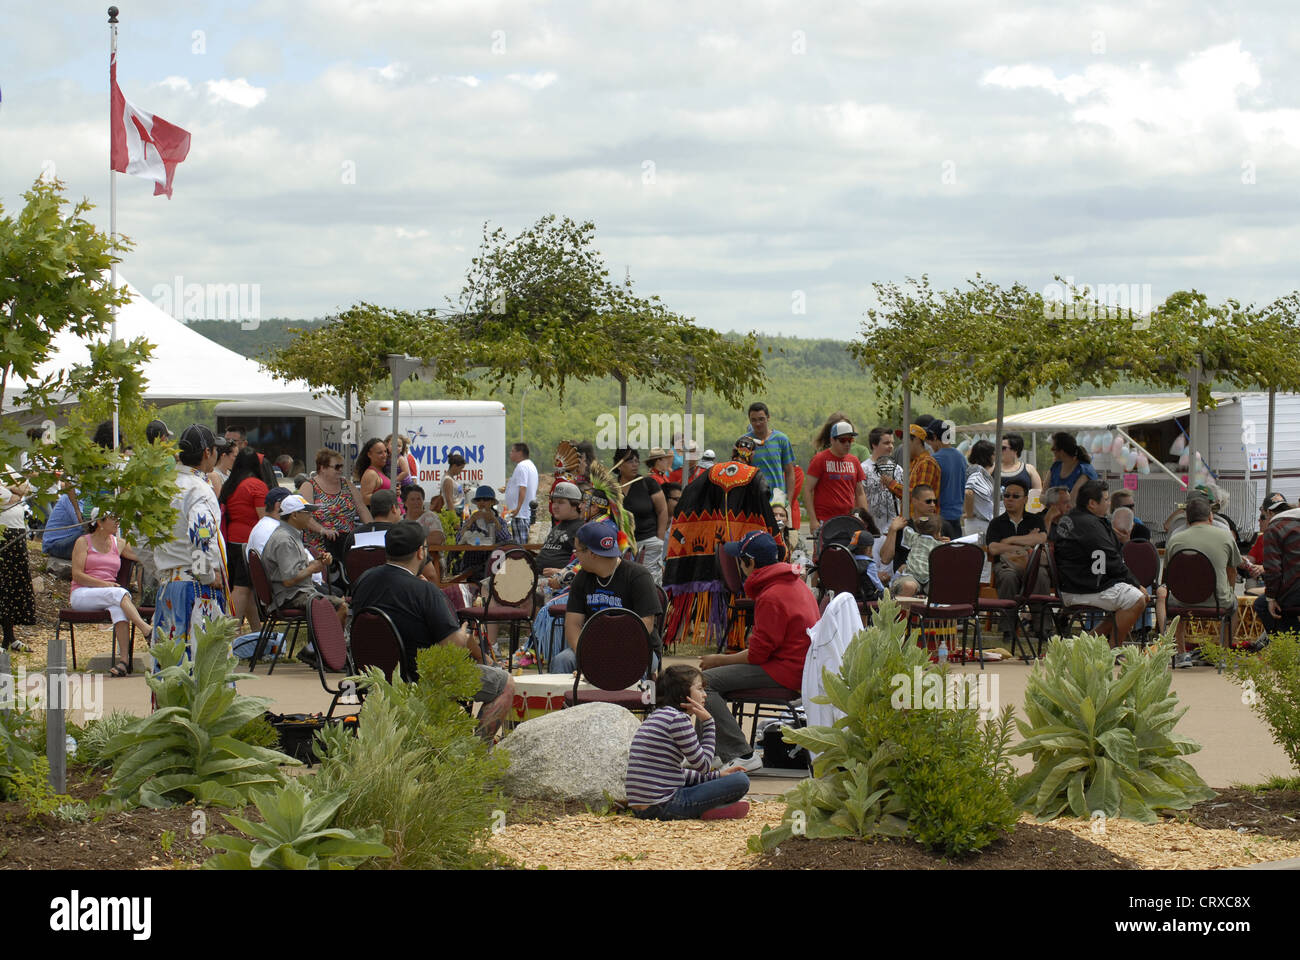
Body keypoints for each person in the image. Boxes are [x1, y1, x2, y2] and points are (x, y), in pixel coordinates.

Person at [351, 522, 514, 740]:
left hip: (372, 676)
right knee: (504, 683)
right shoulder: (425, 591)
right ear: (421, 552)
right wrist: (465, 635)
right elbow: (452, 646)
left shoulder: (363, 581)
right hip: (424, 678)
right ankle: (478, 752)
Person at [699, 531, 816, 768]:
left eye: (740, 560)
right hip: (797, 666)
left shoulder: (772, 595)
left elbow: (757, 655)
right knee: (704, 682)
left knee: (702, 683)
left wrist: (719, 659)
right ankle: (710, 752)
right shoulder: (793, 583)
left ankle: (741, 754)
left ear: (749, 562)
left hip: (786, 671)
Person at [626, 664, 751, 821]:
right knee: (740, 780)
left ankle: (713, 808)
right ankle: (711, 809)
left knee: (720, 780)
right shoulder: (678, 719)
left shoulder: (658, 715)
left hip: (643, 808)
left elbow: (673, 773)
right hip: (663, 806)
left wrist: (717, 775)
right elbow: (704, 766)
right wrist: (708, 723)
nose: (705, 695)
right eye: (700, 689)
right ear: (683, 694)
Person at [151, 425, 230, 661]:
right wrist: (207, 573)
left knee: (170, 663)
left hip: (168, 585)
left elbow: (143, 536)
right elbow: (201, 535)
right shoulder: (199, 490)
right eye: (216, 449)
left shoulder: (165, 486)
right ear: (208, 453)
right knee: (201, 666)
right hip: (195, 589)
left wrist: (158, 569)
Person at [552, 520, 662, 676]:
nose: (575, 556)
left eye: (576, 551)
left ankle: (633, 700)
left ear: (591, 553)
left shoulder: (638, 576)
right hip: (594, 648)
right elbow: (573, 624)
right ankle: (568, 700)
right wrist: (585, 654)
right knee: (562, 660)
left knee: (634, 662)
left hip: (635, 647)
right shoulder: (582, 578)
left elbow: (646, 624)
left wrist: (612, 655)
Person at [1050, 480, 1147, 647]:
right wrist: (1136, 584)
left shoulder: (1076, 519)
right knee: (1137, 599)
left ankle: (1087, 643)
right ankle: (1113, 650)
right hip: (1083, 588)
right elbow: (1111, 560)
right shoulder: (1089, 524)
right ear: (1093, 503)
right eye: (1106, 499)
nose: (1109, 503)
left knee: (1128, 601)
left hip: (1078, 584)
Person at [260, 495, 348, 655]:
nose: (311, 516)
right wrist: (314, 567)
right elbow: (288, 580)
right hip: (290, 596)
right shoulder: (284, 540)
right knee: (340, 606)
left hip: (295, 593)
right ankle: (320, 653)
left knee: (336, 601)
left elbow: (292, 571)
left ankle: (316, 650)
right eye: (306, 512)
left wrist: (317, 563)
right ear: (294, 515)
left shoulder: (289, 534)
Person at [69, 513, 154, 676]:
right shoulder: (83, 542)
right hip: (82, 593)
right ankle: (146, 630)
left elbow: (143, 557)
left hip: (110, 594)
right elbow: (77, 575)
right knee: (119, 593)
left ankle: (123, 662)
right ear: (100, 522)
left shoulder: (119, 543)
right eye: (112, 518)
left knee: (118, 608)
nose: (117, 522)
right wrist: (105, 584)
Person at [1163, 496, 1240, 666]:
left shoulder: (1175, 539)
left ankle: (1182, 655)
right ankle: (1223, 654)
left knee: (1176, 607)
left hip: (1181, 601)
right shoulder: (1226, 536)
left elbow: (1168, 574)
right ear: (1211, 517)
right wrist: (1229, 592)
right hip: (1218, 602)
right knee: (1234, 605)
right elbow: (1232, 570)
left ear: (1187, 519)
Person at [985, 478, 1050, 644]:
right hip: (1006, 565)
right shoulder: (996, 523)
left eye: (1015, 496)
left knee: (1041, 574)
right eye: (1006, 495)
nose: (1010, 499)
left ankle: (1042, 627)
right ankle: (1008, 628)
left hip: (1030, 564)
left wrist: (1009, 540)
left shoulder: (1035, 520)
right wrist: (1027, 541)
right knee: (1007, 576)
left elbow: (1042, 538)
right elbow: (993, 548)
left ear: (1025, 499)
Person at [218, 449, 269, 633]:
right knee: (241, 590)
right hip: (249, 543)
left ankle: (257, 633)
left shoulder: (230, 484)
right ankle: (228, 636)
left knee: (246, 591)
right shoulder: (257, 486)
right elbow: (264, 519)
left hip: (231, 541)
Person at [300, 448, 370, 572]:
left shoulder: (347, 484)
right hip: (321, 546)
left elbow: (361, 508)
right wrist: (323, 530)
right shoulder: (309, 486)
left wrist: (372, 528)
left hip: (345, 543)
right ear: (322, 468)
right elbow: (304, 517)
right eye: (337, 467)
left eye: (341, 466)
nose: (341, 470)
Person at [804, 419, 868, 538]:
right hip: (825, 519)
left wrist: (864, 518)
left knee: (848, 555)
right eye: (843, 440)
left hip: (849, 519)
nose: (847, 444)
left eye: (850, 440)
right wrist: (813, 520)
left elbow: (860, 493)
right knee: (825, 555)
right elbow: (808, 490)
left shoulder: (854, 461)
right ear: (832, 440)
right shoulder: (820, 459)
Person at [614, 447, 669, 584]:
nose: (635, 464)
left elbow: (662, 510)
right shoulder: (611, 488)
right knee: (623, 582)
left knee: (648, 582)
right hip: (620, 544)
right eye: (630, 461)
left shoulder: (648, 483)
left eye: (637, 461)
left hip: (648, 541)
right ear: (619, 465)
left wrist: (659, 539)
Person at [0, 471, 36, 653]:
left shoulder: (6, 468)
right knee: (3, 585)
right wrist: (12, 492)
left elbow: (26, 489)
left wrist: (9, 489)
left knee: (14, 588)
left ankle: (9, 637)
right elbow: (4, 497)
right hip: (3, 533)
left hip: (17, 531)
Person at [1256, 499, 1300, 643]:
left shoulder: (1274, 528)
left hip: (1294, 594)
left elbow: (1273, 570)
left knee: (1263, 605)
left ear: (1269, 513)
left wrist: (1271, 597)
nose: (1260, 521)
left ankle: (1289, 647)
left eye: (1262, 517)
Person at [881, 425, 942, 517]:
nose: (903, 446)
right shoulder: (915, 463)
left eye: (906, 442)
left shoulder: (926, 463)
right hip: (914, 522)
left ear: (917, 440)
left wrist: (892, 484)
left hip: (922, 523)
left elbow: (920, 496)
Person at [881, 514, 943, 597]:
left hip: (923, 577)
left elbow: (906, 530)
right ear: (937, 533)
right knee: (909, 586)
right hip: (914, 576)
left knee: (939, 586)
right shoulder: (939, 545)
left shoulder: (914, 537)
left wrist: (897, 523)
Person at [745, 402, 797, 499]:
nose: (758, 423)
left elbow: (789, 472)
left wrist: (788, 502)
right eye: (754, 420)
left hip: (777, 501)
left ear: (768, 417)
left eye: (761, 419)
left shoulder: (781, 439)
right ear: (749, 420)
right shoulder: (743, 442)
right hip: (752, 501)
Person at [926, 419, 968, 539]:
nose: (930, 446)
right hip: (957, 517)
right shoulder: (961, 457)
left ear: (934, 437)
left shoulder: (934, 459)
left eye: (930, 441)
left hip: (940, 518)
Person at [535, 482, 584, 577]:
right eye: (553, 501)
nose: (554, 506)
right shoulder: (558, 526)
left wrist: (562, 572)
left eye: (561, 502)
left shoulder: (582, 529)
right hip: (537, 577)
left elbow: (586, 563)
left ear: (575, 505)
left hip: (559, 583)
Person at [861, 426, 903, 536]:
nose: (891, 446)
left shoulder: (898, 470)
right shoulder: (863, 469)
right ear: (874, 445)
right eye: (886, 443)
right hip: (873, 532)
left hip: (895, 531)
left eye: (892, 443)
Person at [503, 442, 539, 544]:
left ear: (520, 453)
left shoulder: (522, 466)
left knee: (520, 547)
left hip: (521, 514)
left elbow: (523, 488)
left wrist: (517, 509)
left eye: (513, 451)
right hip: (524, 513)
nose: (510, 453)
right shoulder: (529, 465)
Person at [1047, 432, 1098, 502]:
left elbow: (1071, 502)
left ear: (1062, 451)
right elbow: (1042, 495)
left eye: (1053, 448)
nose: (1051, 450)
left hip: (1079, 512)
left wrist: (1051, 503)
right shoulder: (1055, 467)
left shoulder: (1085, 470)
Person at [963, 439, 996, 541]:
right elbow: (968, 492)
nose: (995, 457)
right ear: (988, 455)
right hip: (979, 523)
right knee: (981, 555)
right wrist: (969, 514)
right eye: (993, 454)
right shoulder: (976, 471)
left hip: (980, 523)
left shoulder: (980, 471)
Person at [41, 488, 87, 561]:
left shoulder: (89, 500)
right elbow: (81, 526)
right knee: (93, 531)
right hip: (54, 545)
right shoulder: (71, 497)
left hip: (69, 540)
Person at [401, 484, 446, 550]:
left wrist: (408, 542)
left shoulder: (430, 516)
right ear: (405, 502)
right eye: (412, 499)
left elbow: (438, 539)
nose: (416, 502)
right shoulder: (400, 520)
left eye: (419, 499)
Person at [355, 438, 391, 508]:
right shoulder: (371, 473)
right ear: (369, 454)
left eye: (385, 451)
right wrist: (388, 496)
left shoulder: (381, 471)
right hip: (379, 517)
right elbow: (365, 498)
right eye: (380, 453)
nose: (384, 455)